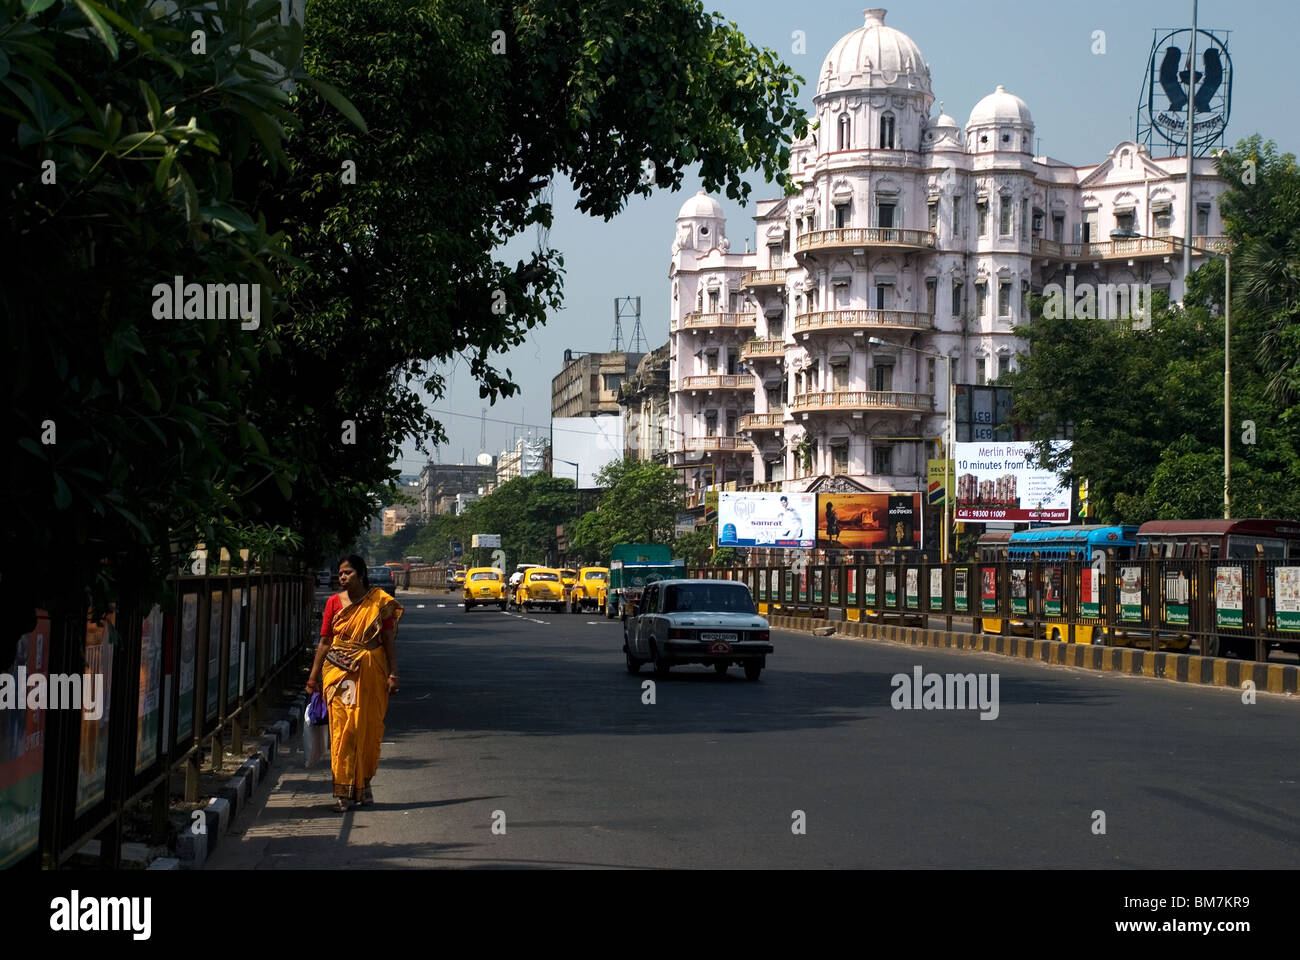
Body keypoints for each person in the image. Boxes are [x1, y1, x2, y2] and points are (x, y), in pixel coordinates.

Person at [307, 554, 403, 811]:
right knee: (343, 730)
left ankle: (364, 784)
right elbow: (325, 641)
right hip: (338, 673)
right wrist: (313, 676)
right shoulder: (333, 604)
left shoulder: (379, 603)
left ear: (361, 574)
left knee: (369, 728)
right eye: (340, 573)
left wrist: (393, 674)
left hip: (372, 671)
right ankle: (342, 792)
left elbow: (388, 641)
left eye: (347, 573)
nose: (342, 577)